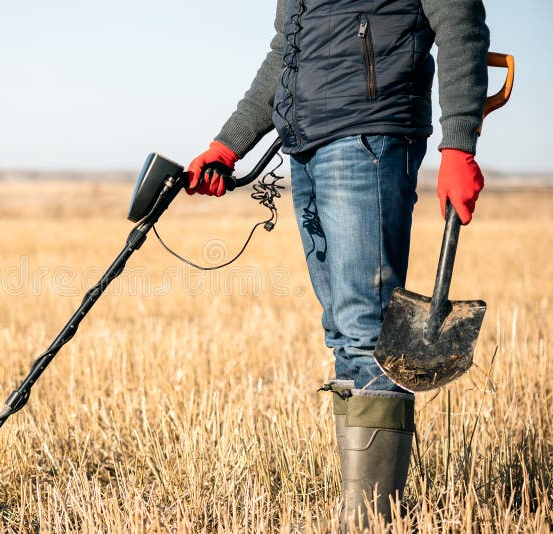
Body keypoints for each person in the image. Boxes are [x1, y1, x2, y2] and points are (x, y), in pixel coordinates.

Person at [185, 0, 489, 529]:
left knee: (366, 330)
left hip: (369, 134)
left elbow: (461, 20)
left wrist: (458, 142)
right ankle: (365, 509)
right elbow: (286, 52)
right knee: (342, 329)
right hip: (304, 144)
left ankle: (369, 521)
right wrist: (227, 144)